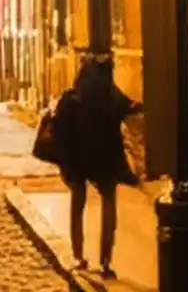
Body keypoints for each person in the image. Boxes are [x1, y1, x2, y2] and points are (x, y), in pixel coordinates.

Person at [51, 55, 142, 280]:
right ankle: (105, 261)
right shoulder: (111, 96)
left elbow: (58, 127)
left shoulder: (71, 98)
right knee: (109, 203)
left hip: (78, 158)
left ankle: (78, 256)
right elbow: (131, 108)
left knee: (78, 201)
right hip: (106, 157)